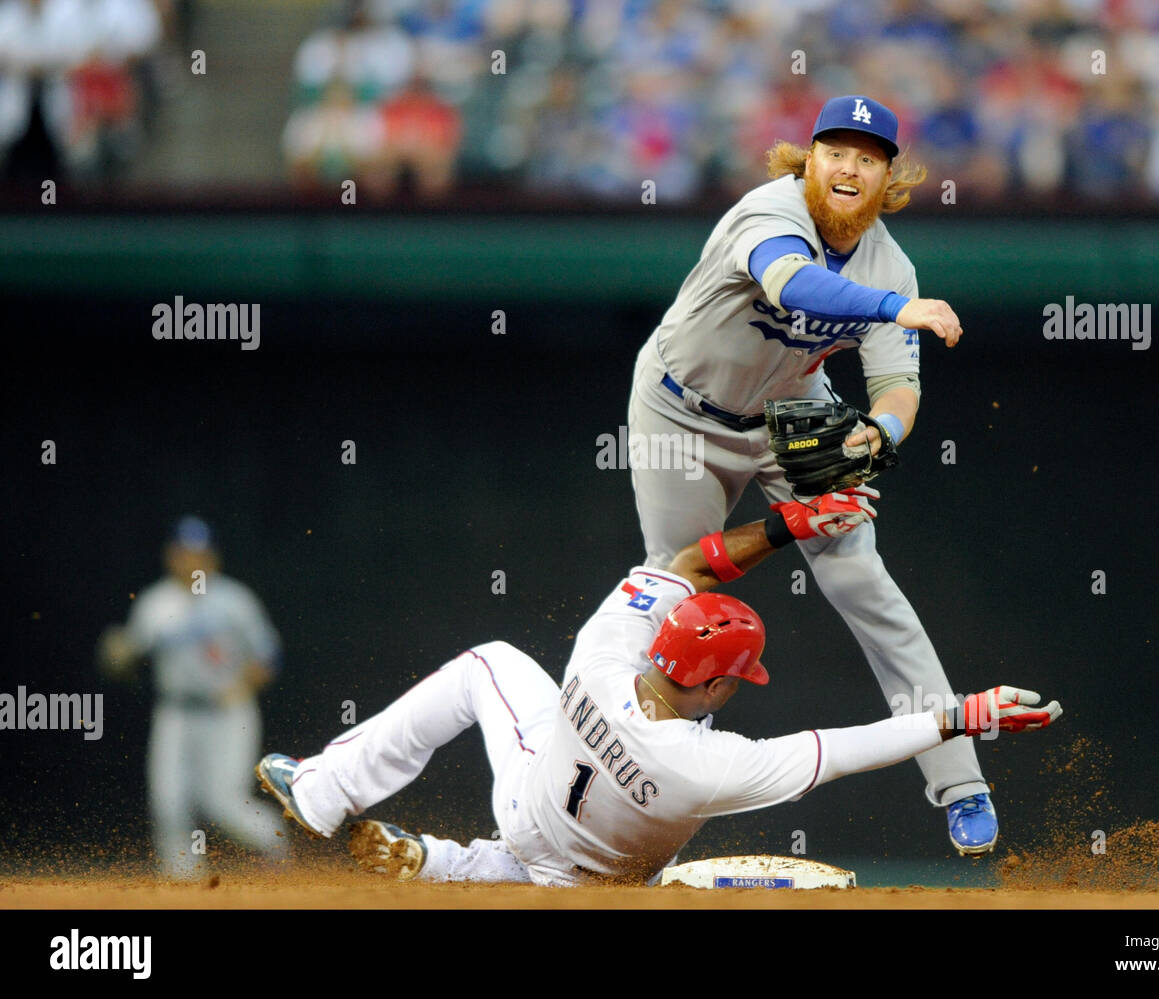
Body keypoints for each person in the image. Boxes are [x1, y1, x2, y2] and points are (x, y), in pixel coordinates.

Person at [256, 496, 1060, 886]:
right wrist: (966, 712)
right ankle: (436, 863)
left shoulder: (602, 653)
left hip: (528, 799)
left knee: (487, 663)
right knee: (550, 873)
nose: (740, 689)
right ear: (713, 682)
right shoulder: (706, 767)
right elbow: (848, 751)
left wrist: (790, 521)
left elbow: (689, 567)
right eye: (738, 678)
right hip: (594, 883)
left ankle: (332, 798)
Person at [625, 94, 999, 854]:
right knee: (674, 593)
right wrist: (900, 307)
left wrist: (879, 431)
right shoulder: (769, 211)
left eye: (867, 157)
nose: (848, 167)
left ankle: (961, 783)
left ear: (888, 177)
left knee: (864, 581)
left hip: (786, 423)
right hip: (680, 414)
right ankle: (633, 789)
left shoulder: (890, 261)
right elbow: (791, 283)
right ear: (809, 159)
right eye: (835, 151)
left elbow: (900, 387)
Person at [98, 515, 287, 878]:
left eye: (198, 553)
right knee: (168, 801)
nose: (191, 560)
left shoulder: (234, 600)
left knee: (222, 804)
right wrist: (118, 656)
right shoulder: (155, 603)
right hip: (176, 712)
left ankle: (272, 841)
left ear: (213, 557)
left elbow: (268, 657)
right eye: (183, 552)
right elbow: (129, 660)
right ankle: (181, 883)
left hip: (228, 713)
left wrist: (242, 685)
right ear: (171, 555)